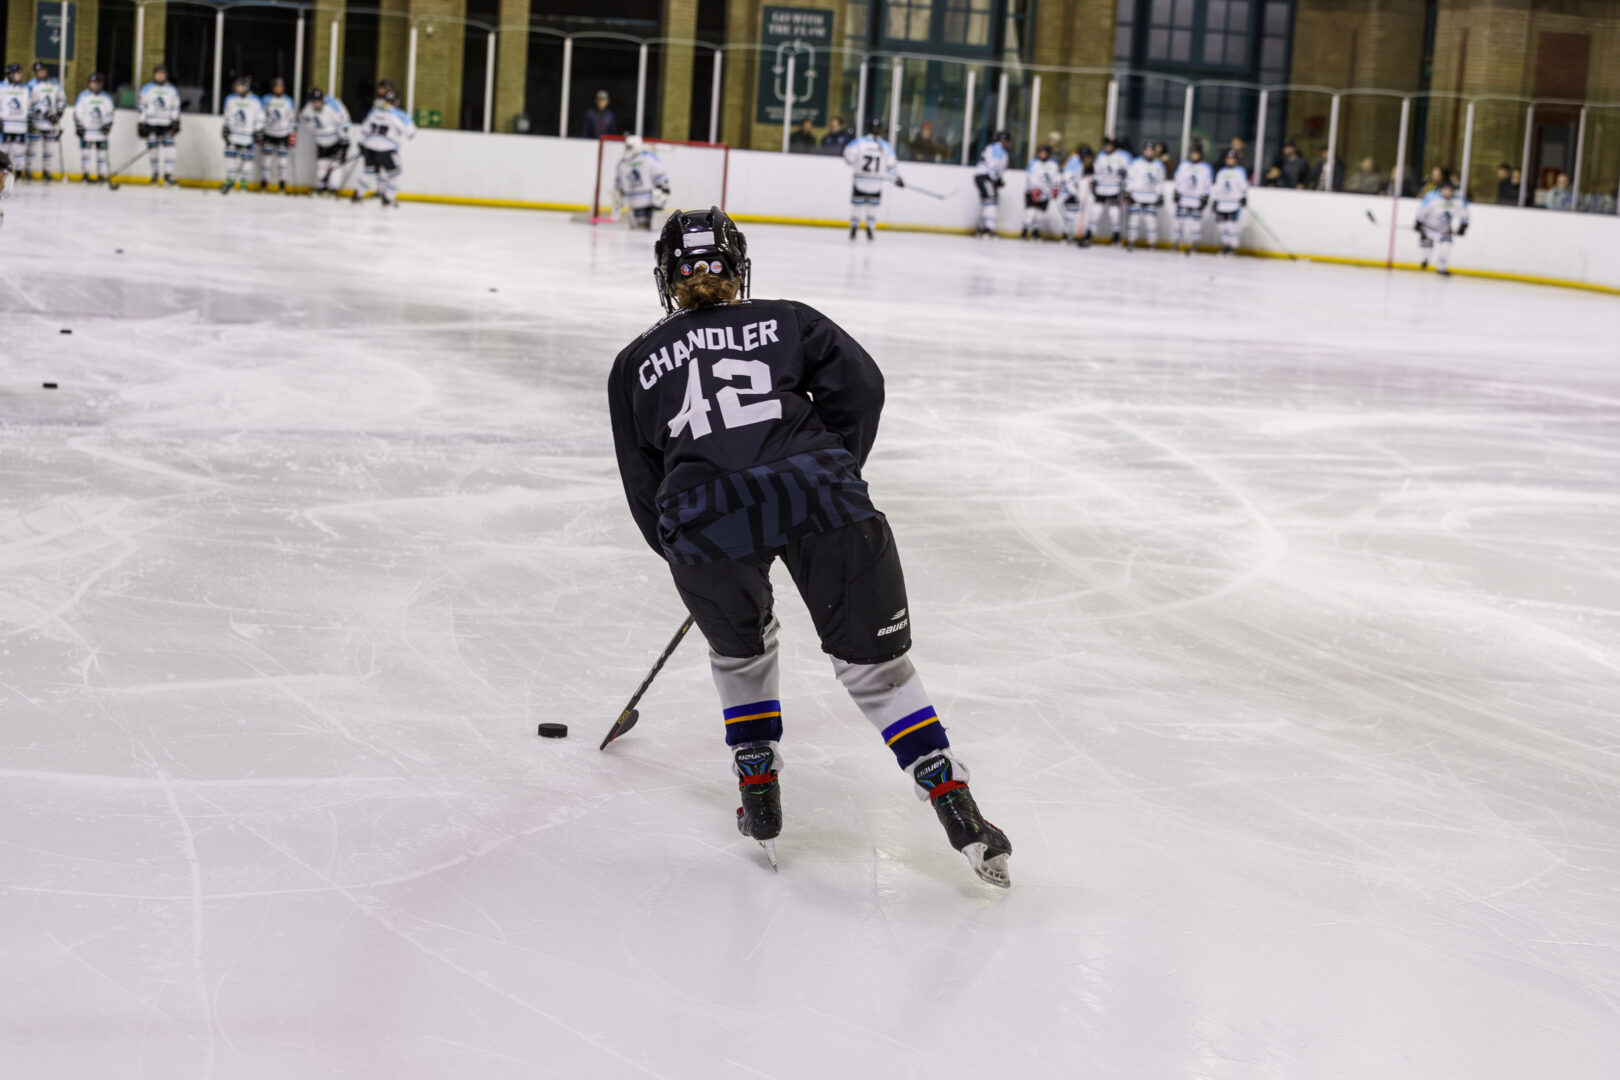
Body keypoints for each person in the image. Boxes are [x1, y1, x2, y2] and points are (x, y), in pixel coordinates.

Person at [607, 207, 1014, 888]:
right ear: (738, 271)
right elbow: (864, 388)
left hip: (703, 524)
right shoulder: (788, 318)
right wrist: (827, 475)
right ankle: (956, 805)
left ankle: (758, 790)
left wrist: (702, 555)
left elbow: (646, 490)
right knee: (876, 671)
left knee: (740, 649)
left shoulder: (632, 365)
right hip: (820, 494)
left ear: (666, 279)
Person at [354, 83, 416, 207]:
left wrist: (362, 144)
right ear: (396, 102)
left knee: (369, 172)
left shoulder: (374, 111)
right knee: (396, 174)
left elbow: (365, 129)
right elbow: (411, 133)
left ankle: (357, 195)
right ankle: (388, 198)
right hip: (387, 149)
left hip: (369, 146)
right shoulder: (399, 114)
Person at [843, 120, 902, 241]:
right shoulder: (884, 145)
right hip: (876, 183)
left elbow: (848, 156)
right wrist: (897, 178)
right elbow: (891, 165)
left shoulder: (859, 142)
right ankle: (870, 229)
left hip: (860, 180)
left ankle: (854, 228)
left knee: (857, 206)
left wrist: (855, 164)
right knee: (872, 207)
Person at [300, 87, 352, 196]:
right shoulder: (308, 109)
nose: (317, 103)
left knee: (336, 166)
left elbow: (344, 122)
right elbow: (303, 119)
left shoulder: (333, 105)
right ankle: (321, 188)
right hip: (321, 143)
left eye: (319, 100)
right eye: (314, 101)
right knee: (321, 167)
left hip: (336, 142)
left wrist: (345, 141)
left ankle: (333, 190)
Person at [1081, 133, 1130, 247]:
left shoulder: (1121, 156)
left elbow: (1127, 172)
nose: (1108, 146)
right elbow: (1096, 171)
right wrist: (1094, 181)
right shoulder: (1101, 156)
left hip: (1114, 188)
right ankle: (1089, 234)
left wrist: (1123, 181)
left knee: (1114, 213)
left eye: (1110, 144)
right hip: (1102, 188)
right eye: (1106, 144)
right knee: (1095, 212)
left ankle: (1116, 236)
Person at [136, 65, 181, 187]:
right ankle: (155, 175)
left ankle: (168, 175)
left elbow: (175, 107)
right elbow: (142, 106)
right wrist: (141, 122)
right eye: (158, 74)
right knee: (153, 150)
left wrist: (175, 121)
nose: (160, 76)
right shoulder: (147, 89)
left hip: (166, 123)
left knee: (169, 149)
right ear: (154, 75)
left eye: (163, 74)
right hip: (151, 122)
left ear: (166, 75)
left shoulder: (172, 90)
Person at [614, 133, 670, 229]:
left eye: (629, 146)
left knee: (650, 231)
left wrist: (662, 193)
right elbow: (619, 186)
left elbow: (662, 181)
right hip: (632, 206)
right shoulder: (622, 164)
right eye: (626, 146)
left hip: (650, 204)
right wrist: (617, 197)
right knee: (637, 232)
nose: (627, 149)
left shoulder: (648, 159)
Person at [219, 76, 265, 193]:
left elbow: (260, 118)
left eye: (239, 85)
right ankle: (230, 179)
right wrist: (225, 128)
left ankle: (244, 182)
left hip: (248, 135)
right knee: (230, 157)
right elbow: (227, 115)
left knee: (247, 159)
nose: (237, 87)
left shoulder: (255, 101)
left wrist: (258, 130)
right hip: (233, 134)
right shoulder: (230, 99)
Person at [1415, 176, 1468, 275]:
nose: (1447, 193)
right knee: (1427, 250)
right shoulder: (1432, 198)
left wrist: (1463, 226)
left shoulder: (1457, 201)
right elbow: (1422, 210)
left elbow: (1464, 213)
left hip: (1444, 230)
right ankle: (1425, 260)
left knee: (1446, 248)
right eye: (1446, 190)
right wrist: (1418, 222)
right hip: (1428, 228)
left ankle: (1441, 268)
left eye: (1450, 191)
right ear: (1441, 189)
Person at [26, 63, 66, 181]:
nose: (40, 73)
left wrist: (59, 113)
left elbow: (61, 99)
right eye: (38, 71)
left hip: (51, 123)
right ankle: (28, 170)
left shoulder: (54, 83)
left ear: (46, 71)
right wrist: (46, 113)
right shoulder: (31, 85)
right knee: (32, 147)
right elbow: (30, 103)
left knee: (49, 148)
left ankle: (47, 171)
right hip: (36, 121)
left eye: (42, 71)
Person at [1123, 139, 1166, 250]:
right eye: (1147, 150)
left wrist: (1160, 195)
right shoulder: (1136, 163)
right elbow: (1129, 179)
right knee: (1134, 219)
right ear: (1143, 151)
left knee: (1150, 221)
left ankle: (1152, 243)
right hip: (1137, 195)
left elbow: (1160, 182)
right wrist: (1128, 192)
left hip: (1151, 196)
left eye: (1151, 151)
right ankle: (1131, 241)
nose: (1149, 153)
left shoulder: (1159, 165)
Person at [73, 73, 115, 184]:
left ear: (101, 84)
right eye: (92, 83)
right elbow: (78, 112)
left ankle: (101, 175)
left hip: (100, 130)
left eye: (97, 83)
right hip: (87, 130)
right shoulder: (83, 96)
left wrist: (108, 124)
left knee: (101, 154)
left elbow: (110, 113)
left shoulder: (106, 97)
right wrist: (79, 125)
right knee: (86, 153)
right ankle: (86, 174)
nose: (94, 85)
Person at [258, 77, 297, 192]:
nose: (278, 89)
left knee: (282, 161)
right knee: (266, 160)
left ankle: (282, 183)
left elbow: (292, 118)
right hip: (269, 133)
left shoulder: (288, 101)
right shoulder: (266, 99)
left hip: (283, 134)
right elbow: (261, 116)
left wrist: (292, 133)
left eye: (280, 86)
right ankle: (264, 183)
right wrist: (260, 132)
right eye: (276, 86)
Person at [1171, 143, 1212, 254]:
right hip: (1184, 198)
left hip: (1196, 199)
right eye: (1193, 153)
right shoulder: (1184, 166)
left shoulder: (1205, 168)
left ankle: (1194, 243)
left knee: (1195, 224)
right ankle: (1176, 242)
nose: (1194, 155)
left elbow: (1207, 184)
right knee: (1179, 222)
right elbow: (1178, 180)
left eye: (1196, 153)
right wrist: (1176, 193)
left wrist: (1205, 196)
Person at [970, 130, 1011, 238]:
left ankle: (982, 228)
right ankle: (989, 229)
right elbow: (994, 165)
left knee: (986, 201)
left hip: (982, 176)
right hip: (986, 177)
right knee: (991, 201)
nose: (1008, 143)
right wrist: (996, 179)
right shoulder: (998, 148)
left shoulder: (993, 147)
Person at [1210, 148, 1249, 255]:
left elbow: (1243, 186)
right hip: (1222, 202)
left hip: (1233, 203)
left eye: (1232, 159)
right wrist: (1215, 200)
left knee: (1231, 226)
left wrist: (1243, 197)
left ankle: (1233, 246)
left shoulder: (1240, 171)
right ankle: (1225, 245)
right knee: (1222, 226)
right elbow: (1217, 187)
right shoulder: (1221, 172)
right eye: (1228, 158)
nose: (1230, 161)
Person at [1021, 143, 1059, 240]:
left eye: (1044, 153)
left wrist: (1055, 188)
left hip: (1045, 192)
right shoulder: (1033, 163)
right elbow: (1028, 177)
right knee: (1030, 212)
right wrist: (1032, 189)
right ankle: (1025, 230)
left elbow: (1055, 178)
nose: (1042, 154)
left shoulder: (1053, 164)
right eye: (1040, 153)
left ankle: (1035, 232)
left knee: (1040, 214)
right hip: (1033, 190)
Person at [0, 66, 30, 177]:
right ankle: (2, 174)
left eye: (20, 73)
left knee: (19, 151)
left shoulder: (25, 89)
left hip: (20, 126)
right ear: (10, 74)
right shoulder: (2, 87)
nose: (19, 76)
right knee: (3, 150)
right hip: (5, 125)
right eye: (17, 73)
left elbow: (29, 105)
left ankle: (18, 174)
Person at [1058, 142, 1091, 242]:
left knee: (1071, 214)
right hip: (1068, 192)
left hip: (1070, 191)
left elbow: (1076, 177)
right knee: (1070, 214)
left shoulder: (1077, 161)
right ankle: (1066, 235)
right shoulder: (1075, 160)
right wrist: (1073, 192)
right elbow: (1067, 177)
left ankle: (1068, 235)